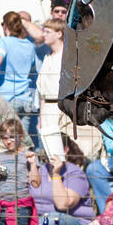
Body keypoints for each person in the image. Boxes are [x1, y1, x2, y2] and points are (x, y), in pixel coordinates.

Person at [0, 11, 40, 141]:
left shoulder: (4, 41)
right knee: (23, 140)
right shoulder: (30, 44)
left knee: (3, 139)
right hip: (27, 98)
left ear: (5, 26)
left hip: (8, 97)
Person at [31, 135, 96, 225]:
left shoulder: (75, 173)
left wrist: (56, 174)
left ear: (65, 150)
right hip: (39, 219)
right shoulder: (41, 170)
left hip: (74, 223)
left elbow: (63, 204)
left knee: (52, 219)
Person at [0, 118, 39, 225]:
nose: (8, 141)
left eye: (12, 137)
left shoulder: (27, 155)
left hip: (20, 206)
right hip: (0, 205)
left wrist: (33, 165)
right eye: (4, 138)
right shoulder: (1, 157)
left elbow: (36, 183)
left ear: (20, 137)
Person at [36, 17, 66, 162]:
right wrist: (41, 118)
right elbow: (42, 93)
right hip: (47, 108)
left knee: (62, 152)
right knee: (50, 153)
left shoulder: (66, 57)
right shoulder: (47, 57)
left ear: (59, 34)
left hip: (61, 107)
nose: (44, 35)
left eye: (48, 31)